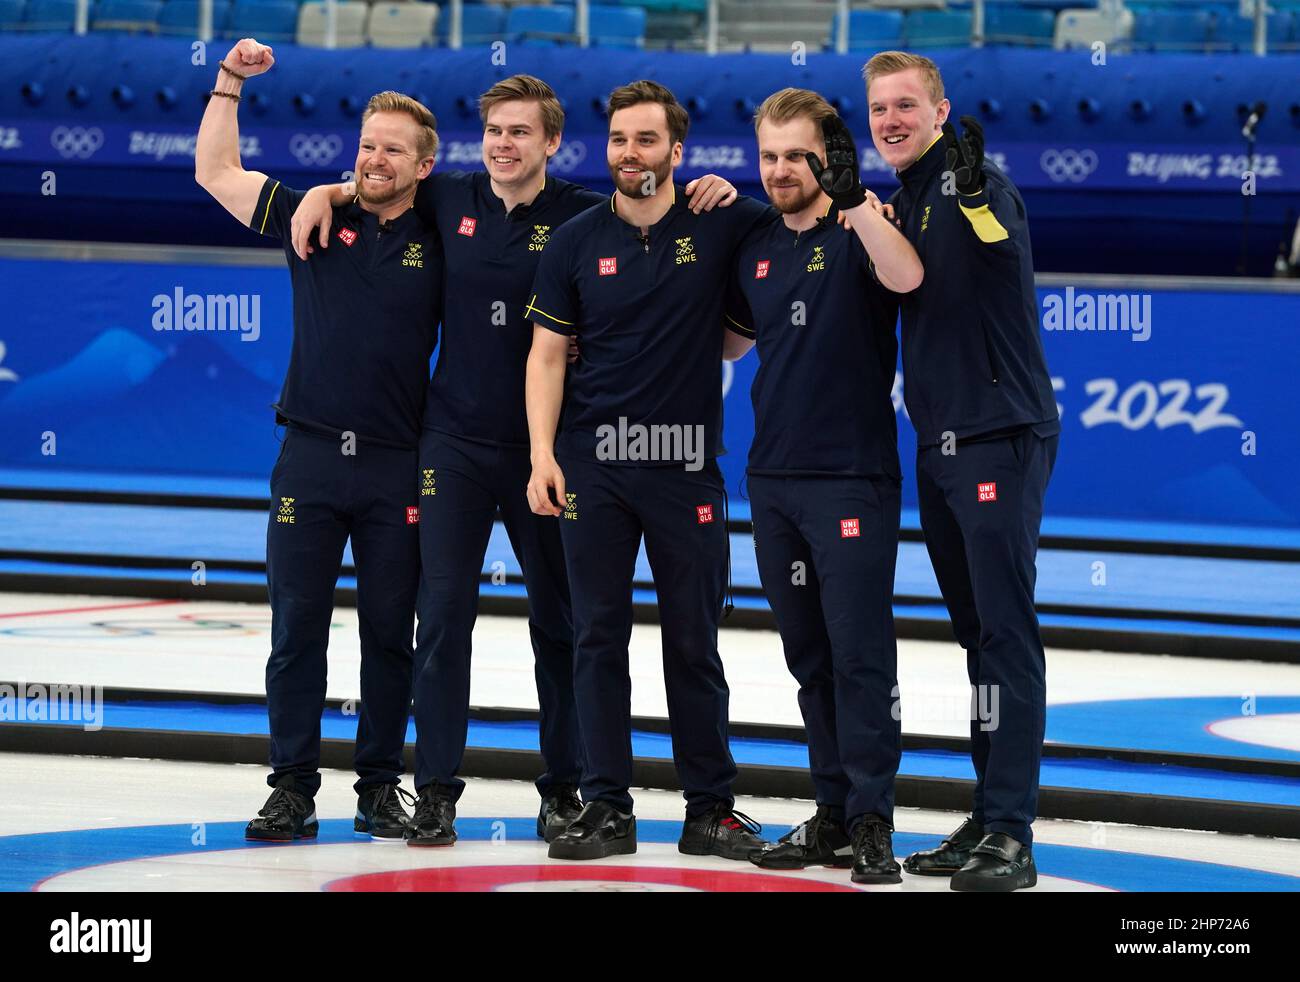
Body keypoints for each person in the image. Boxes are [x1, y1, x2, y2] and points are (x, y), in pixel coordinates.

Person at [287, 75, 738, 846]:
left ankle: (564, 790)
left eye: (520, 132)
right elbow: (383, 177)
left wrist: (713, 190)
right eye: (494, 129)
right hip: (451, 446)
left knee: (562, 629)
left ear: (552, 143)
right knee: (443, 624)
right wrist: (326, 190)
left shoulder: (581, 219)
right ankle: (435, 793)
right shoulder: (448, 198)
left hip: (550, 454)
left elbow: (655, 220)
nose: (503, 142)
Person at [195, 38, 442, 841]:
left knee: (388, 637)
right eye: (366, 146)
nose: (374, 160)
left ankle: (378, 788)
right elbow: (216, 174)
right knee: (295, 629)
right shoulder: (317, 210)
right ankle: (293, 786)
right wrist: (230, 80)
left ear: (424, 166)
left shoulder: (447, 235)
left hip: (397, 464)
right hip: (307, 455)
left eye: (392, 151)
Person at [525, 80, 772, 862]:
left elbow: (792, 237)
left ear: (677, 150)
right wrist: (541, 454)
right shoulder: (572, 240)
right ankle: (607, 809)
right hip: (594, 466)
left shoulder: (722, 220)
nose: (631, 153)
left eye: (647, 140)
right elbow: (547, 355)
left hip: (684, 465)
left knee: (694, 642)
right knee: (596, 637)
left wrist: (740, 192)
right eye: (620, 139)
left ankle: (710, 810)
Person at [864, 50, 1060, 892]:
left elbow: (994, 237)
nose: (892, 120)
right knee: (977, 638)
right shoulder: (901, 199)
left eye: (907, 105)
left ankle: (1011, 831)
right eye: (879, 110)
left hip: (997, 438)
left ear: (941, 113)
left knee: (1004, 635)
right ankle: (988, 814)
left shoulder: (980, 186)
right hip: (941, 445)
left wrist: (975, 200)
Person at [721, 88, 923, 884]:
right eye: (767, 156)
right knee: (809, 658)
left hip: (850, 478)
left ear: (831, 156)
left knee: (860, 656)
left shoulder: (864, 226)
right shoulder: (755, 244)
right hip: (771, 478)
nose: (777, 171)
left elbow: (906, 278)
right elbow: (733, 346)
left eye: (795, 156)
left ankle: (873, 819)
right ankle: (834, 814)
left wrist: (855, 200)